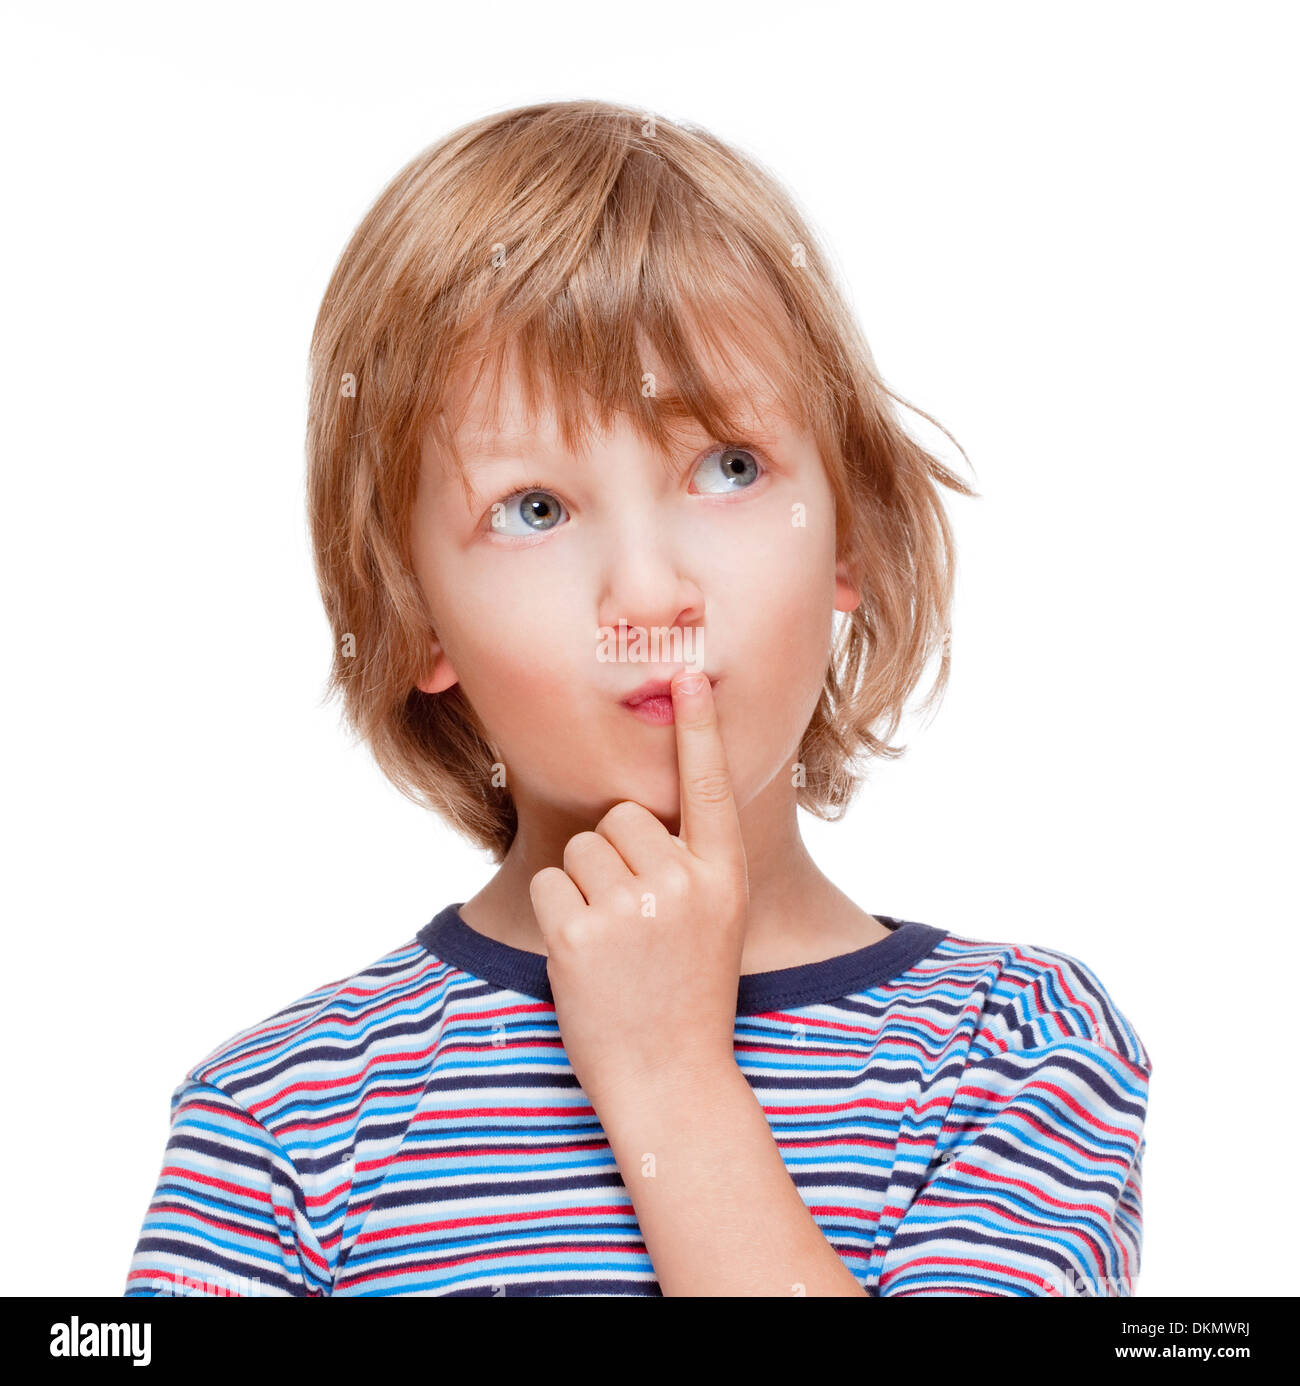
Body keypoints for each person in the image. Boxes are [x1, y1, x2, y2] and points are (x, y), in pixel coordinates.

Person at [124, 99, 1150, 1297]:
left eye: (726, 468)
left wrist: (669, 1077)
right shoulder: (278, 1122)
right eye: (535, 509)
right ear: (413, 613)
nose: (650, 590)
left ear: (849, 538)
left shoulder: (1017, 1049)